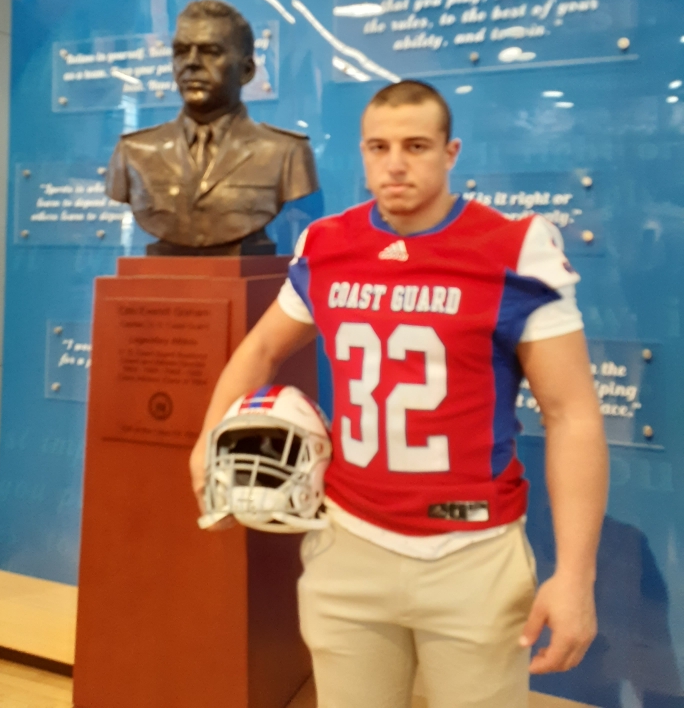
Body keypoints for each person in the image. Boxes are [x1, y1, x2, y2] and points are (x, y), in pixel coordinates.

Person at [190, 79, 608, 708]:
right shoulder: (327, 245)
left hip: (472, 552)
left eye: (415, 145)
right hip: (349, 544)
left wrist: (576, 576)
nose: (395, 163)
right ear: (361, 153)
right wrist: (205, 440)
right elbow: (260, 349)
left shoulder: (513, 249)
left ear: (451, 151)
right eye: (378, 147)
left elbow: (571, 414)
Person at [106, 0, 318, 255]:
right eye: (182, 51)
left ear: (247, 70)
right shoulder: (134, 152)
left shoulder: (286, 153)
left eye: (211, 51)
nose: (192, 63)